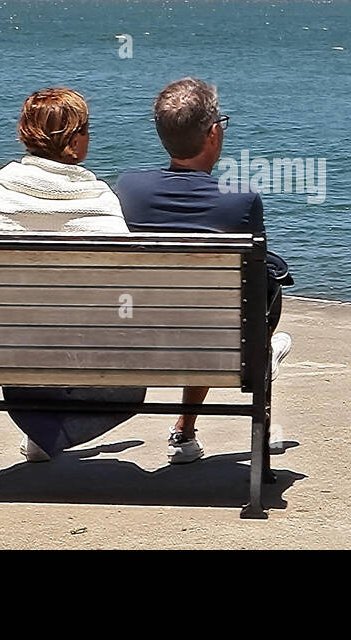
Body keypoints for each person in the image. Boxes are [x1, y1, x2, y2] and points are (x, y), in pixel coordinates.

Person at [115, 77, 293, 465]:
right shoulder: (240, 200)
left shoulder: (128, 188)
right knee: (246, 289)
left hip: (134, 341)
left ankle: (185, 431)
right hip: (217, 347)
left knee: (192, 303)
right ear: (213, 134)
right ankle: (258, 357)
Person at [0, 87, 144, 460]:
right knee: (126, 378)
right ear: (76, 142)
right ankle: (51, 433)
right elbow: (122, 291)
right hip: (87, 353)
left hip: (4, 355)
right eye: (87, 129)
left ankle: (44, 431)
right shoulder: (102, 203)